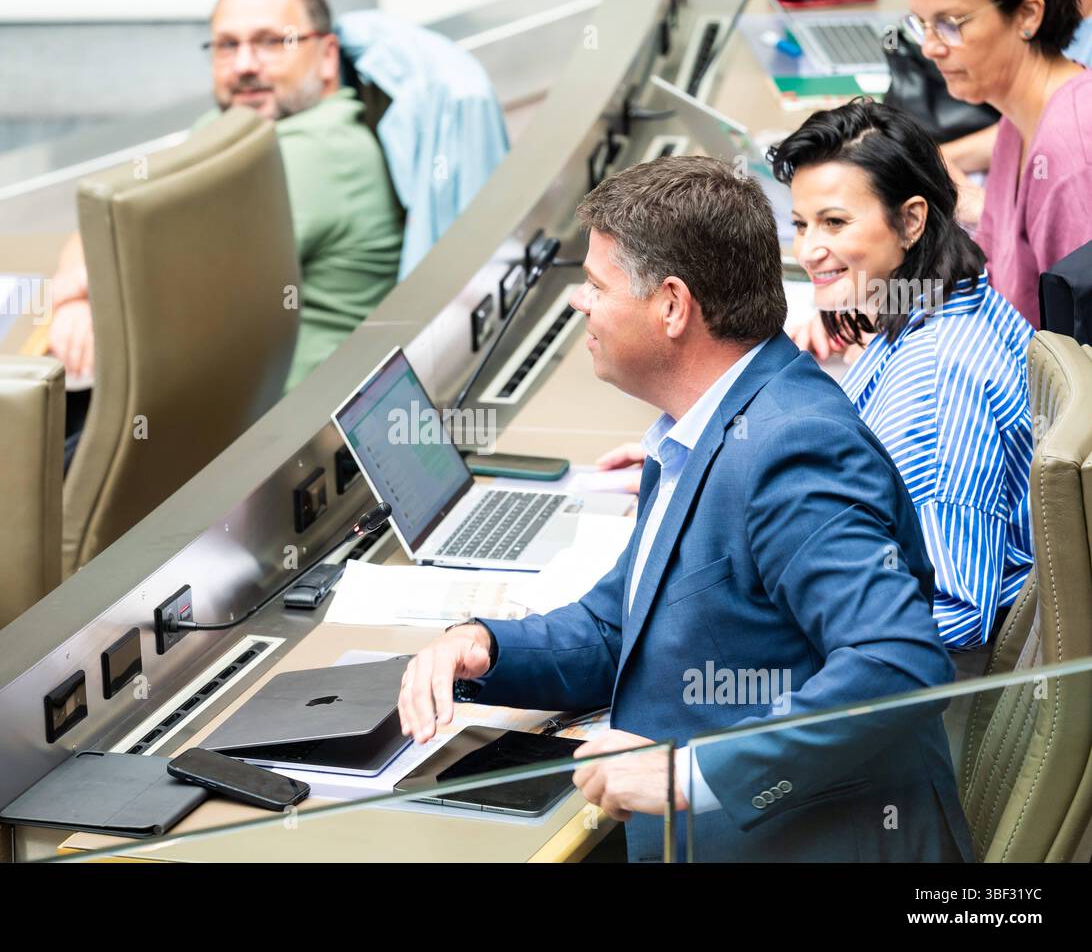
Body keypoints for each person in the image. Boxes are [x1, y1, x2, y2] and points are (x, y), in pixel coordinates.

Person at [398, 156, 972, 863]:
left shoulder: (793, 451)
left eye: (596, 286)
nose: (579, 304)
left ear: (672, 305)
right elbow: (620, 626)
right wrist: (484, 647)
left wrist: (692, 773)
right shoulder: (704, 426)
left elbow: (903, 663)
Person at [604, 101, 1036, 653]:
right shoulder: (948, 302)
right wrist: (720, 460)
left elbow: (947, 612)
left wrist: (760, 636)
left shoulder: (934, 385)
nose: (809, 251)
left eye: (835, 223)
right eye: (802, 225)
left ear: (911, 220)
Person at [48, 0, 403, 400]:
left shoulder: (321, 151)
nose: (245, 65)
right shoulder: (226, 128)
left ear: (327, 56)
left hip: (274, 443)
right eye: (227, 45)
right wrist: (80, 291)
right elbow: (104, 225)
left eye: (271, 42)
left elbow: (154, 283)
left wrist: (78, 295)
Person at [939, 0, 1092, 226]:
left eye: (952, 24)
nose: (930, 48)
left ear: (1028, 15)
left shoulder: (1072, 147)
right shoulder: (1015, 122)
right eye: (922, 26)